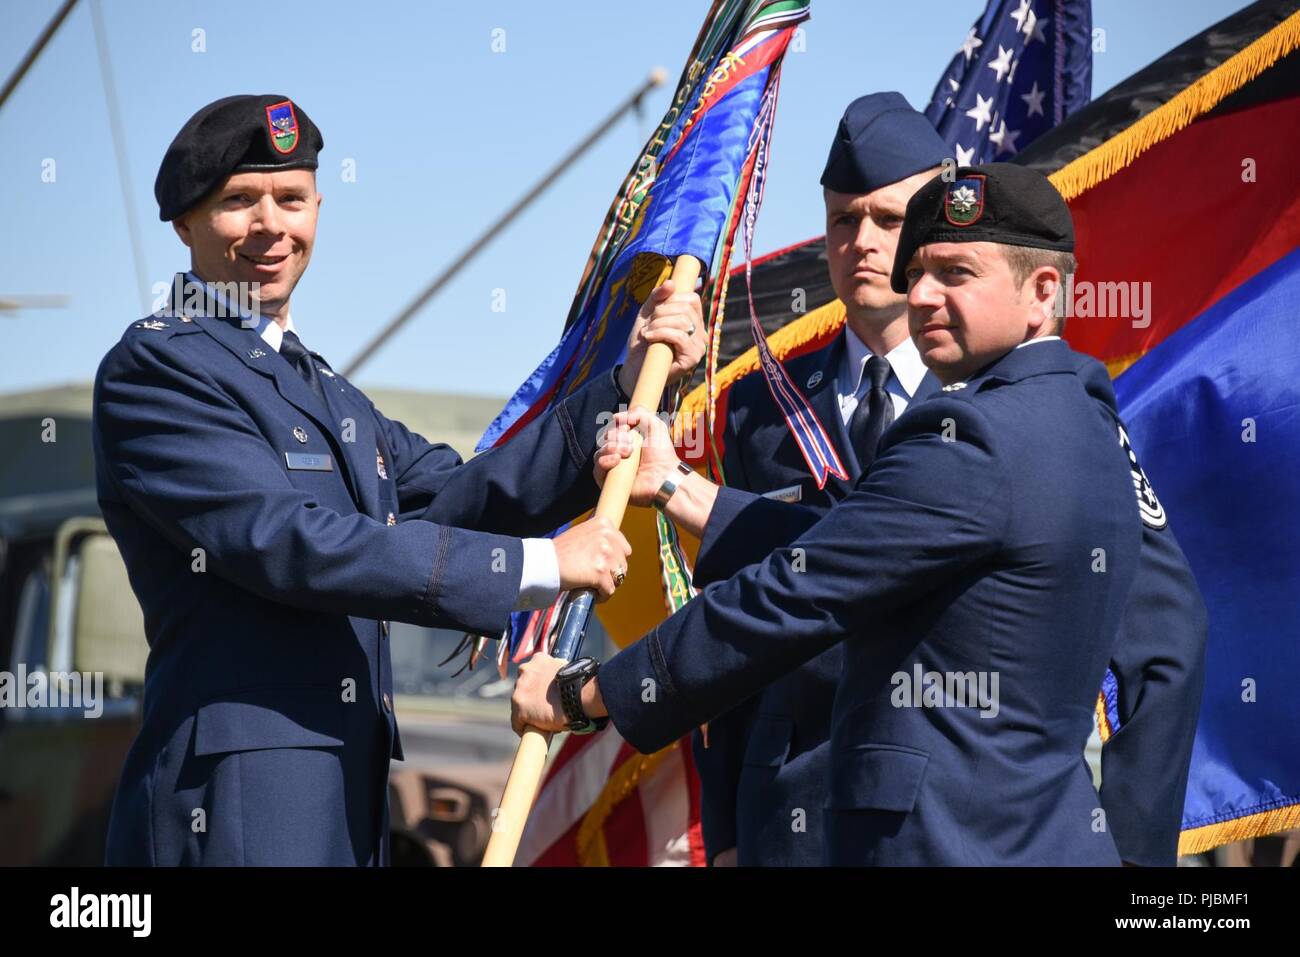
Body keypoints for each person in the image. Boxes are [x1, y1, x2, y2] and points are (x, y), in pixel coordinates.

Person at [94, 94, 705, 866]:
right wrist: (544, 564)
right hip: (243, 801)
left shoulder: (321, 388)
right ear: (183, 223)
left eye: (290, 199)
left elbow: (459, 499)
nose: (270, 226)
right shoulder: (159, 369)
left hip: (343, 795)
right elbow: (288, 543)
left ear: (318, 208)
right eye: (237, 202)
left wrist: (620, 386)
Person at [513, 163, 1185, 865]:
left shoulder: (970, 436)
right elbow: (864, 554)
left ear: (1042, 291)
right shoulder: (1091, 420)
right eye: (917, 270)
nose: (919, 293)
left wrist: (588, 692)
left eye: (955, 273)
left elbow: (798, 592)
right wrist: (678, 484)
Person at [691, 92, 947, 867]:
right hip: (789, 817)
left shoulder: (996, 399)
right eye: (844, 219)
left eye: (888, 219)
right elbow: (734, 631)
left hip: (945, 812)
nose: (862, 241)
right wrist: (727, 832)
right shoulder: (757, 408)